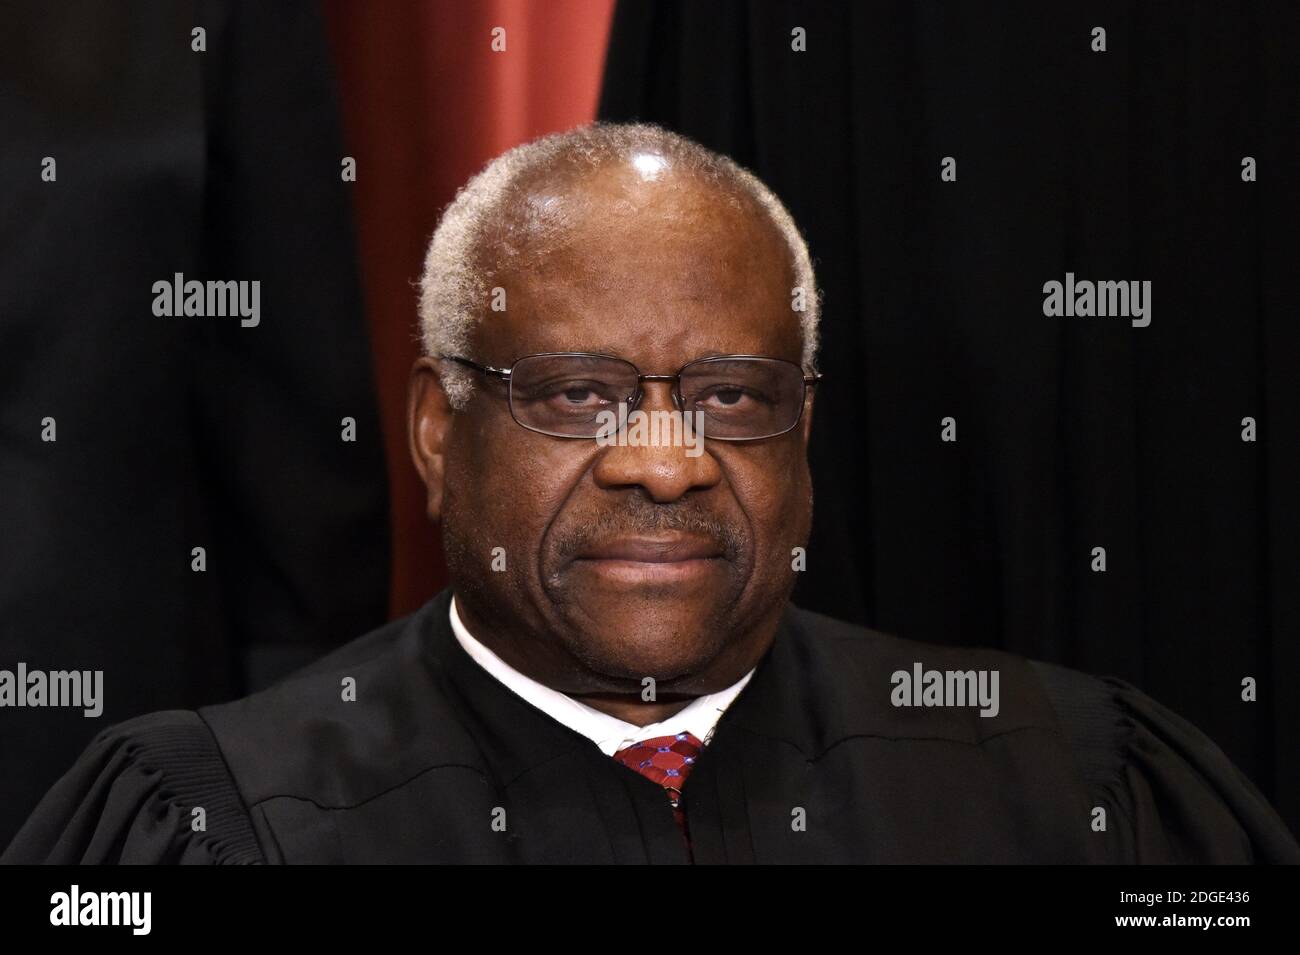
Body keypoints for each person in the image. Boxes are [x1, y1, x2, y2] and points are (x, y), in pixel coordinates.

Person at [4, 124, 1297, 864]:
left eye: (735, 396)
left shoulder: (1076, 788)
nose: (666, 460)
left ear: (805, 434)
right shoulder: (214, 828)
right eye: (575, 394)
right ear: (437, 433)